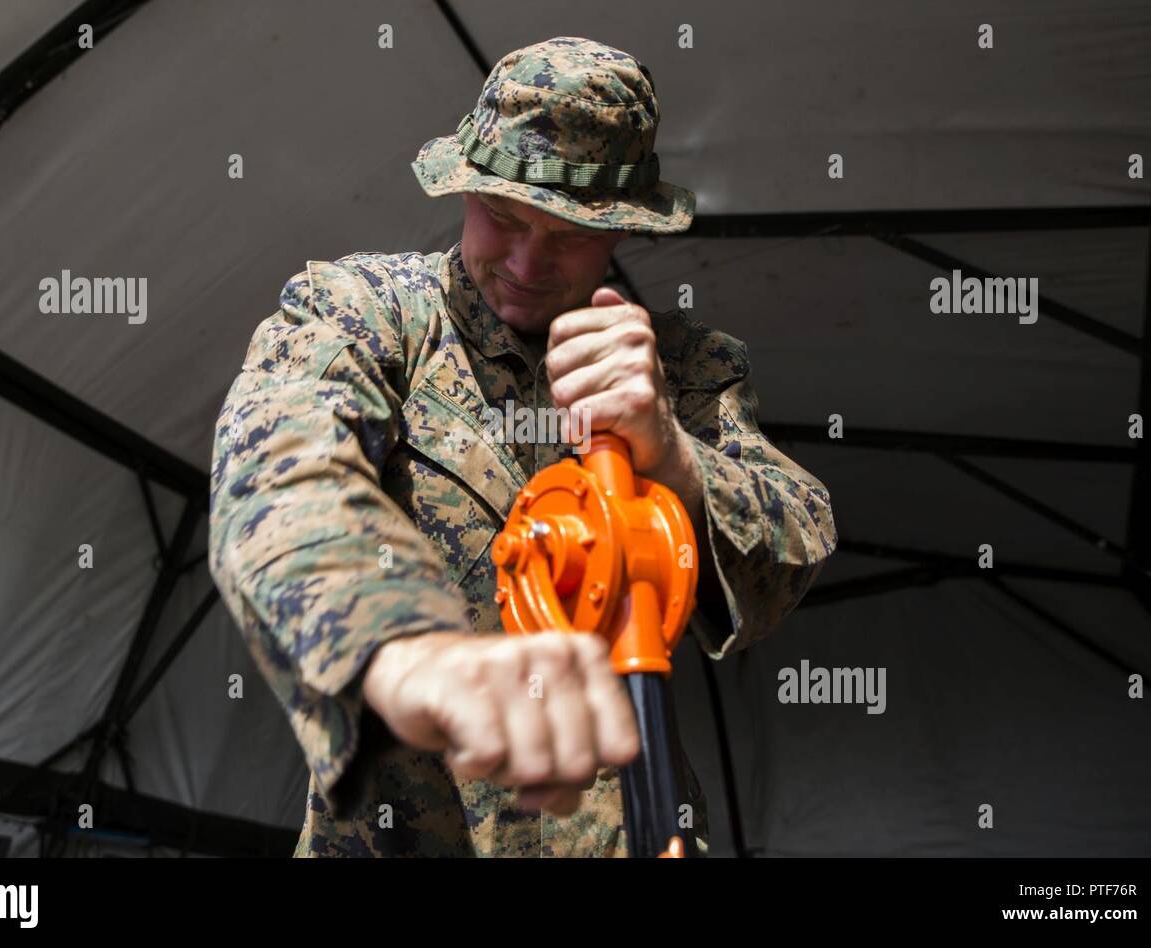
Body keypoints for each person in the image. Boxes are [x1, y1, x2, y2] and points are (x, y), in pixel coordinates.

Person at [208, 36, 837, 857]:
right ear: (462, 187)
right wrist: (403, 653)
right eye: (502, 218)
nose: (527, 262)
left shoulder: (684, 368)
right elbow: (278, 477)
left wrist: (672, 456)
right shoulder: (364, 313)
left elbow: (796, 544)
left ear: (621, 229)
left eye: (570, 233)